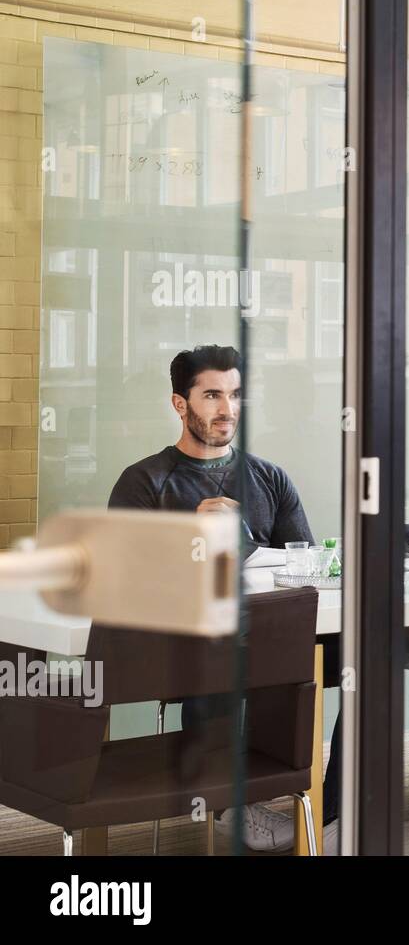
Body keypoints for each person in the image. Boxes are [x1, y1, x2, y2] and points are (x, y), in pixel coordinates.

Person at [107, 345, 313, 853]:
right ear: (180, 404)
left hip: (266, 637)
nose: (228, 409)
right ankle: (230, 803)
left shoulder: (270, 478)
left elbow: (305, 569)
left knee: (360, 662)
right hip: (180, 644)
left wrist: (240, 536)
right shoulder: (144, 482)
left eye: (236, 395)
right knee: (220, 651)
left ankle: (331, 804)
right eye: (213, 395)